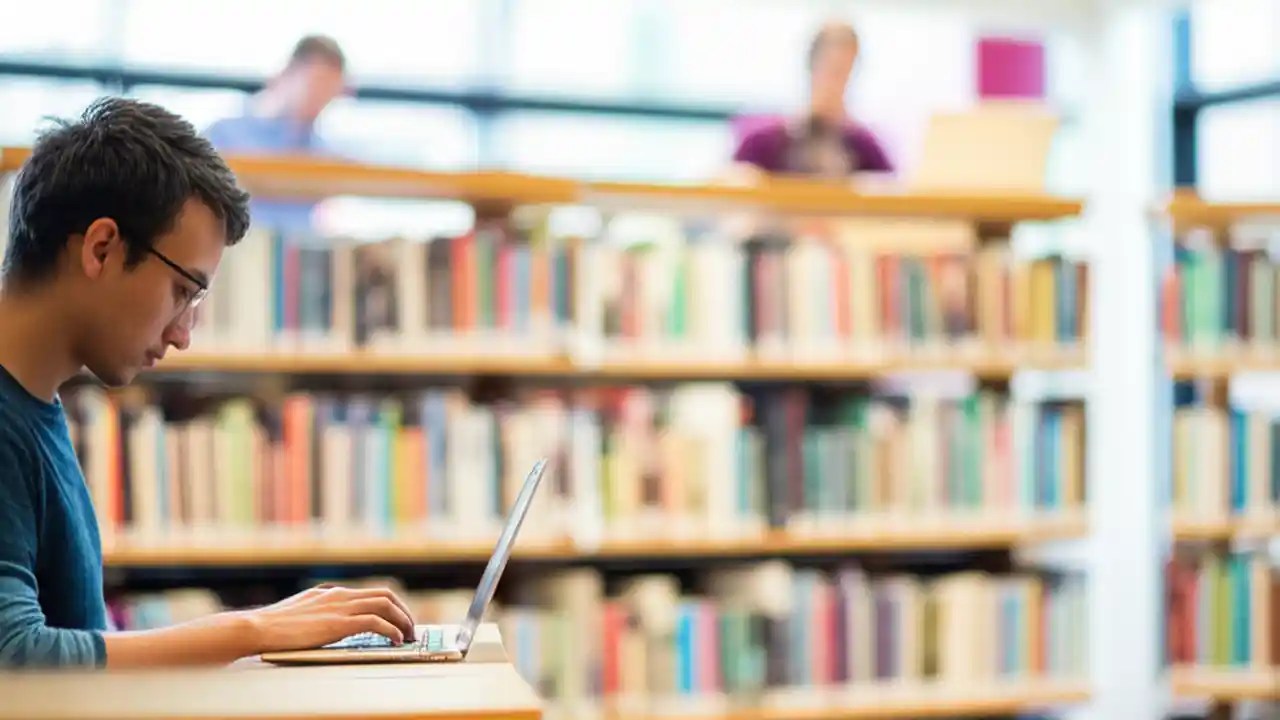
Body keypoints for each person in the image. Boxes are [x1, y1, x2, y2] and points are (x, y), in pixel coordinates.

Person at [0, 97, 415, 669]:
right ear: (101, 248)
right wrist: (255, 629)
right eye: (183, 291)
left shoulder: (36, 404)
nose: (182, 334)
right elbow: (12, 657)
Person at [204, 35, 349, 231]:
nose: (320, 102)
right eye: (316, 86)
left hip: (295, 255)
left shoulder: (322, 154)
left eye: (329, 94)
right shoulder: (224, 135)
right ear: (287, 74)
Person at [731, 20, 892, 178]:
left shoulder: (865, 148)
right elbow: (729, 185)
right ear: (812, 66)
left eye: (845, 71)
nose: (836, 81)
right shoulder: (763, 142)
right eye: (831, 68)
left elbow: (894, 194)